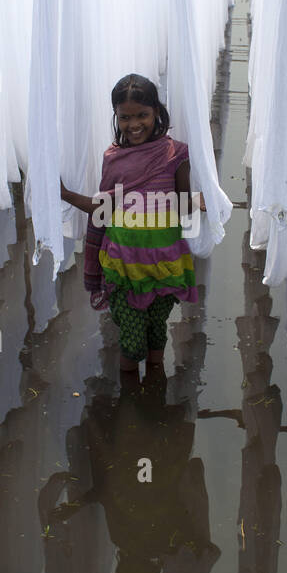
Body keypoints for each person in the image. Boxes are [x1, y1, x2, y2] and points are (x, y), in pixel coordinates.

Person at [61, 73, 205, 374]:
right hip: (123, 269)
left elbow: (179, 202)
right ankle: (130, 408)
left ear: (157, 112)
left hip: (165, 268)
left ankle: (153, 401)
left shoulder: (175, 154)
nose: (134, 124)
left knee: (156, 335)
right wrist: (65, 194)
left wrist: (198, 202)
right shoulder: (114, 158)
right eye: (125, 117)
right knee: (132, 343)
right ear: (116, 116)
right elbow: (101, 209)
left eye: (143, 115)